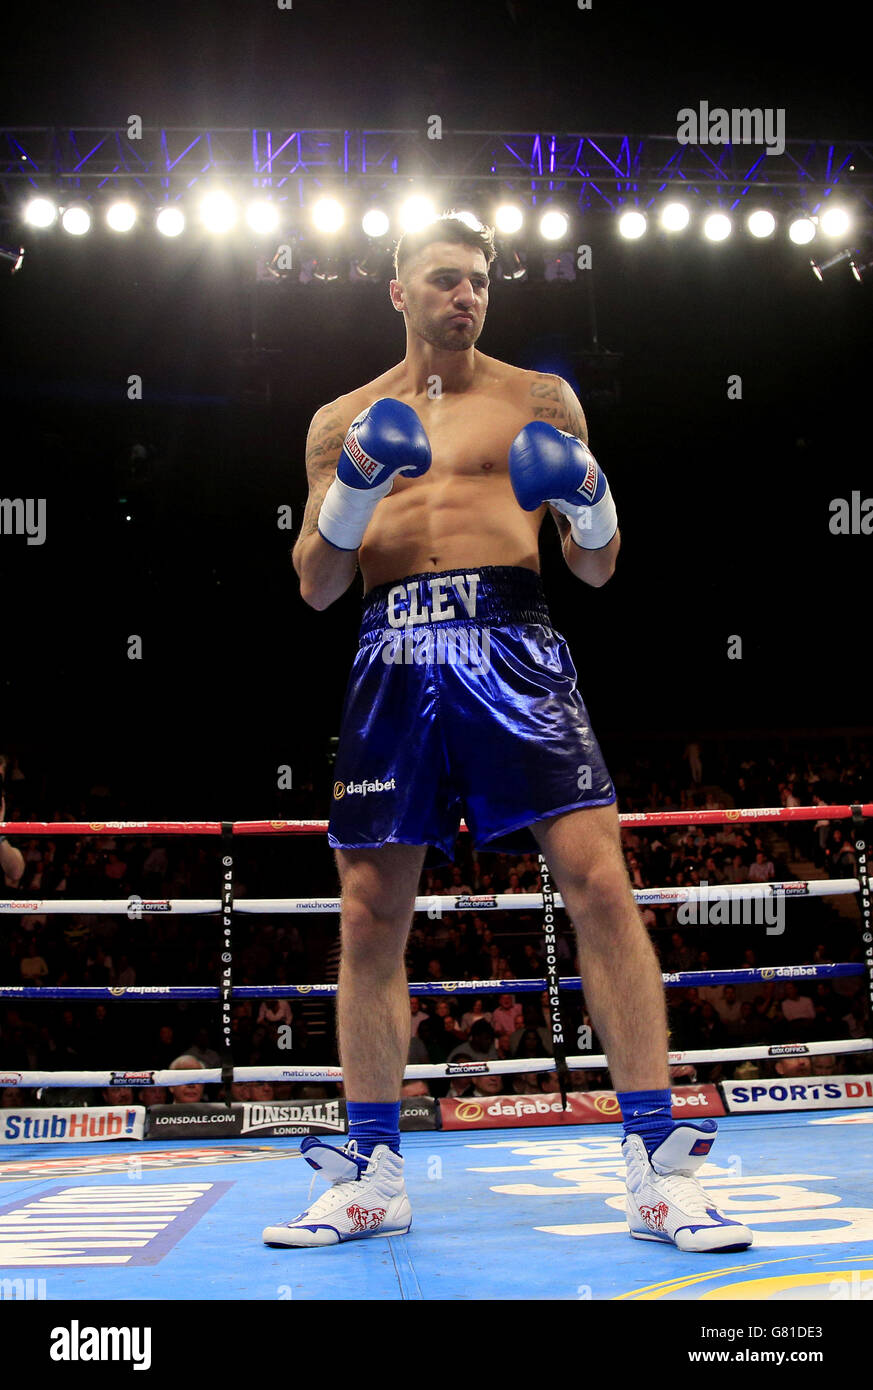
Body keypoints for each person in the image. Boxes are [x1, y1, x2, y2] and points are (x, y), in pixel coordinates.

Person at [262, 214, 751, 1254]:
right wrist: (352, 485)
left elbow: (598, 566)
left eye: (480, 282)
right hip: (392, 646)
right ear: (398, 291)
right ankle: (375, 1169)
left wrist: (592, 495)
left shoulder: (539, 398)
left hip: (515, 640)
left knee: (599, 879)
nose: (466, 297)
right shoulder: (339, 418)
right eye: (444, 280)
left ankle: (657, 1163)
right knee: (368, 910)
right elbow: (314, 584)